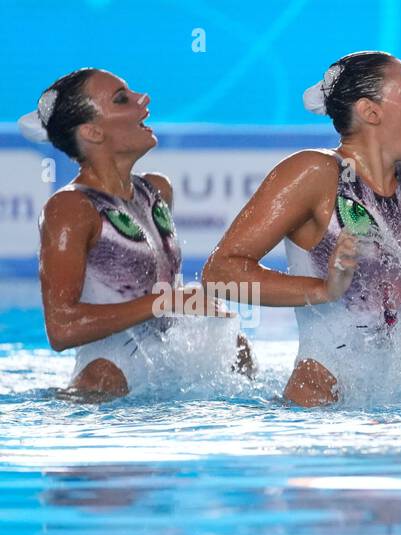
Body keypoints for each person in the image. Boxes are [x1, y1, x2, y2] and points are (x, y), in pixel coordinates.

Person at [203, 51, 401, 406]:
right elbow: (220, 271)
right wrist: (323, 289)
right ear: (370, 111)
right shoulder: (315, 173)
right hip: (321, 408)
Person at [28, 68, 249, 400]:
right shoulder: (70, 208)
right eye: (122, 99)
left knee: (238, 349)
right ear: (92, 132)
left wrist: (189, 304)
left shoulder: (156, 191)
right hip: (110, 372)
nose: (142, 99)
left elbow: (161, 295)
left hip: (167, 361)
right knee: (105, 381)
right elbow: (61, 328)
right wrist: (166, 301)